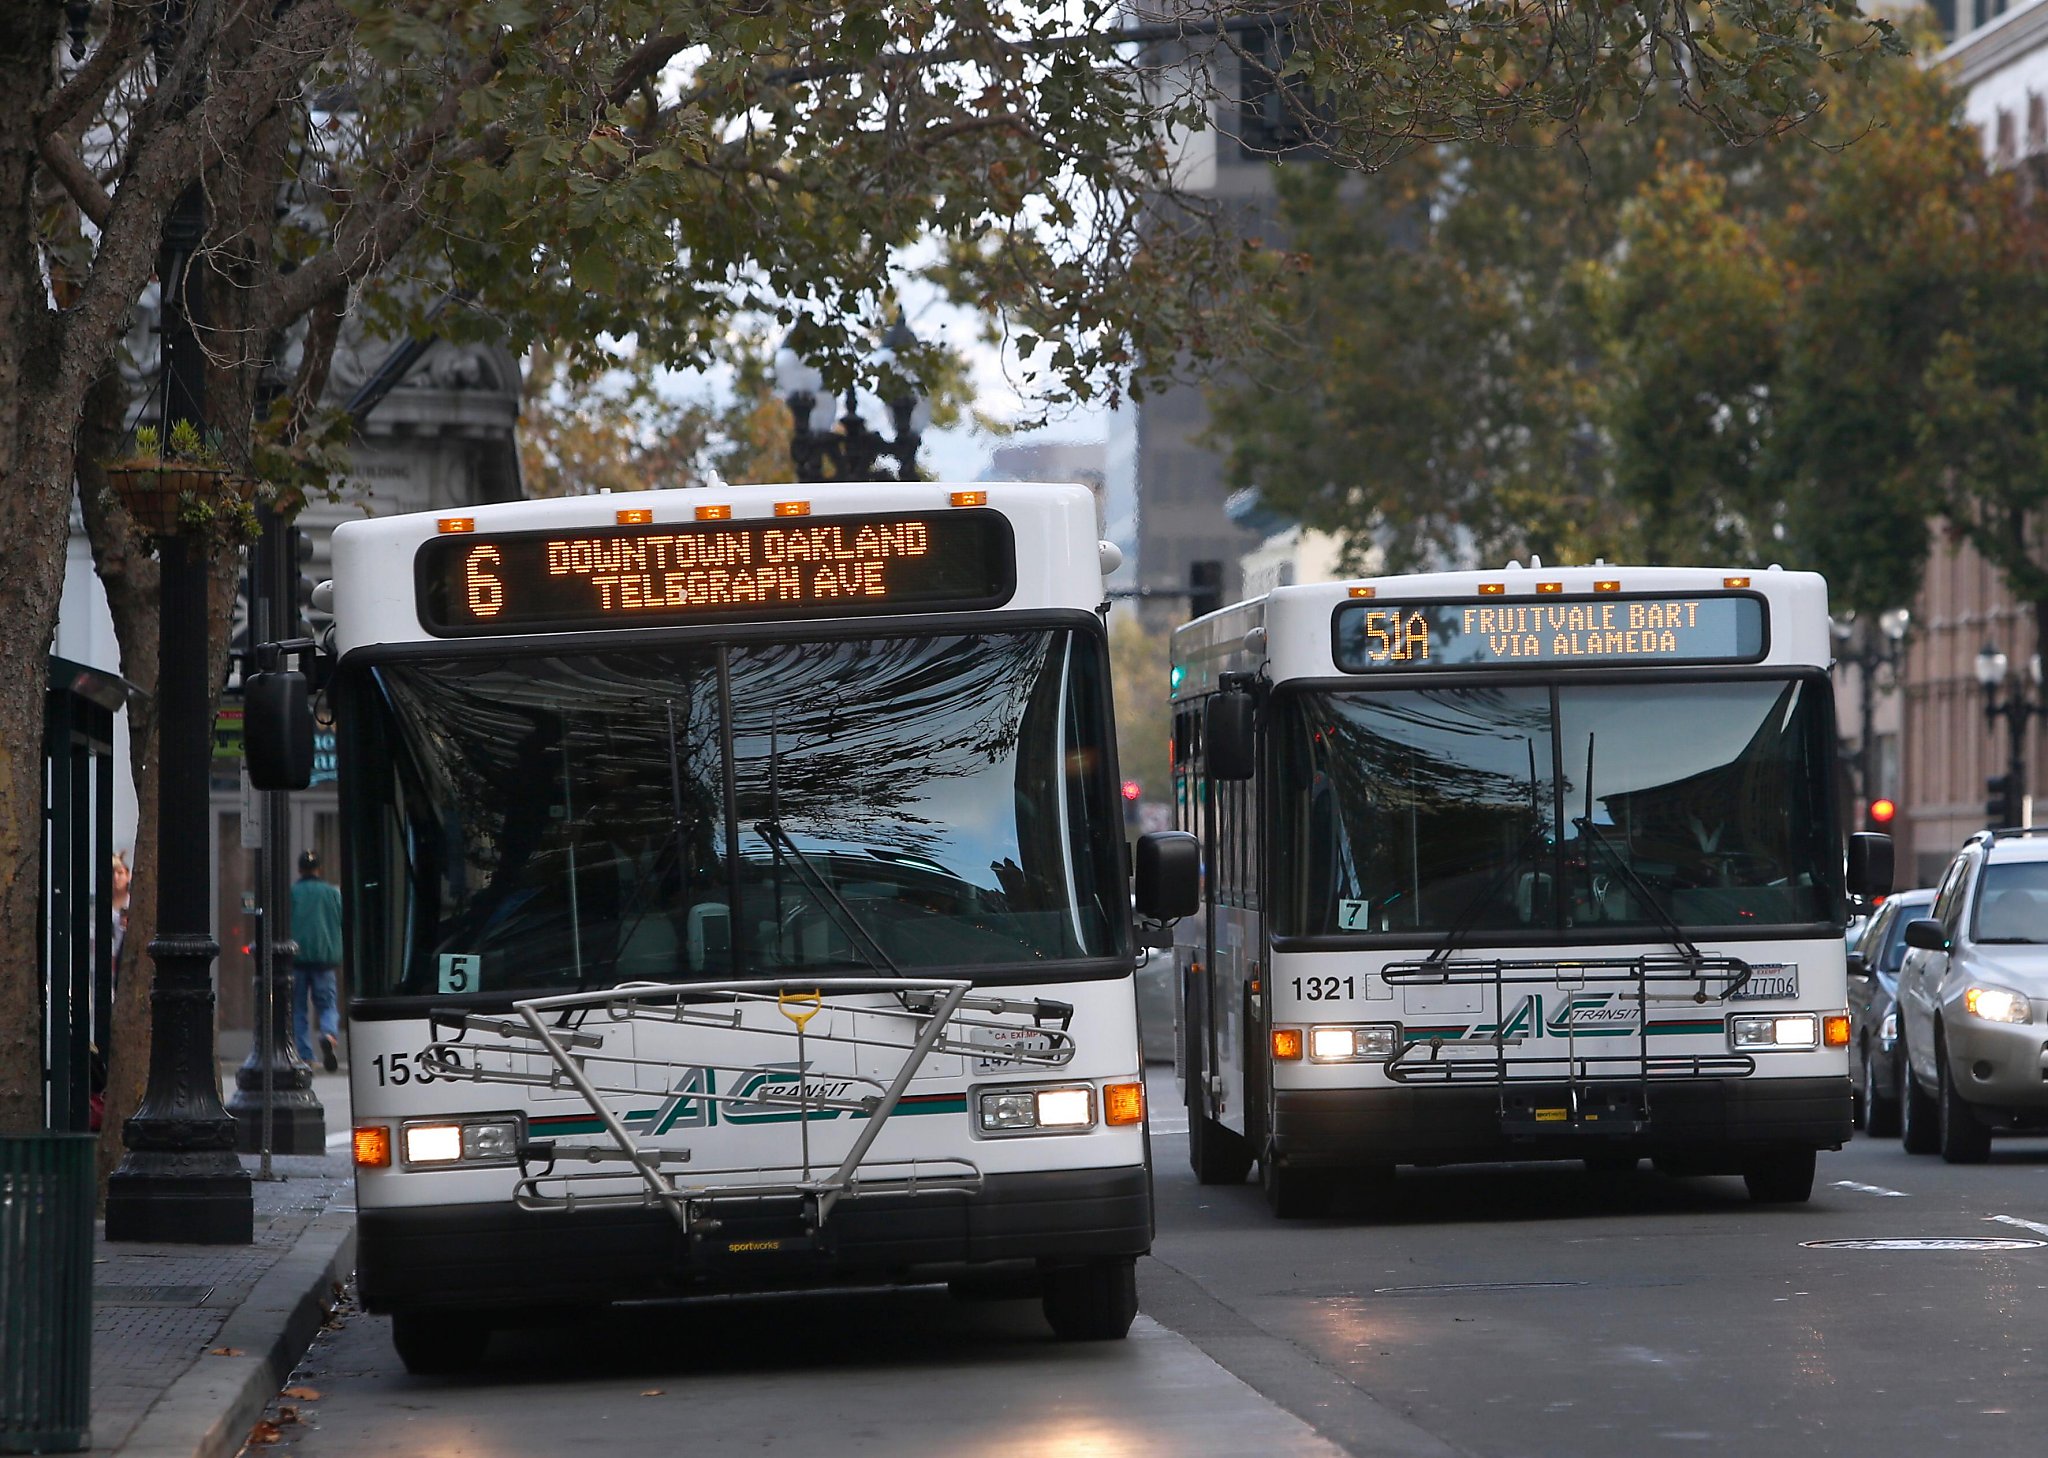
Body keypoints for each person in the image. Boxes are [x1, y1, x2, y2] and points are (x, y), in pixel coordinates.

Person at [291, 850, 344, 1070]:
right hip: (324, 960)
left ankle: (306, 1056)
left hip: (296, 960)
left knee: (298, 1009)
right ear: (319, 869)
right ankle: (328, 1034)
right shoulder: (332, 893)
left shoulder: (292, 894)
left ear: (300, 869)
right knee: (327, 1005)